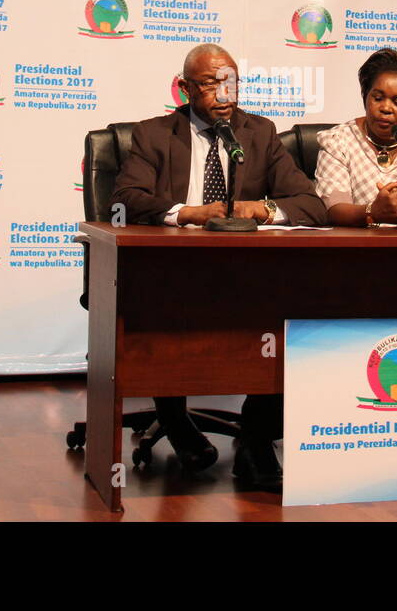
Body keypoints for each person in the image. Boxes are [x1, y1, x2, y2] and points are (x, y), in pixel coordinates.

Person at [110, 43, 327, 492]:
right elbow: (124, 199)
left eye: (230, 82)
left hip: (244, 273)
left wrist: (263, 210)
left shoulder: (260, 133)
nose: (223, 93)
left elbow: (309, 203)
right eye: (210, 84)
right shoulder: (154, 134)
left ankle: (255, 437)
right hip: (172, 268)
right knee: (166, 308)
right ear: (186, 88)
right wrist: (187, 213)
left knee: (292, 310)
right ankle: (174, 420)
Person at [314, 48, 397, 226]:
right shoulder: (338, 141)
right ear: (365, 98)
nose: (386, 108)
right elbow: (332, 209)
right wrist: (373, 211)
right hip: (351, 248)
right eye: (377, 98)